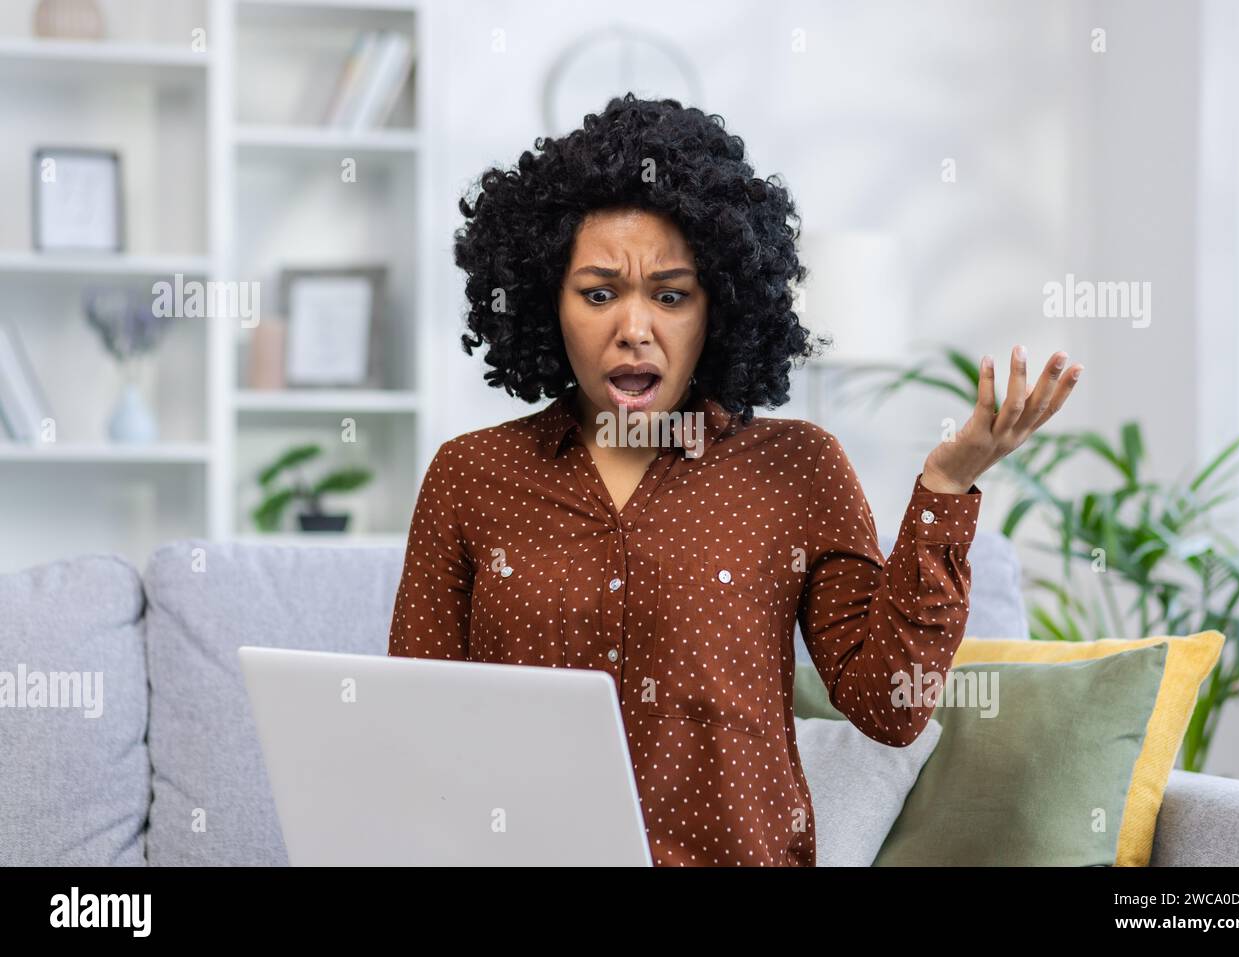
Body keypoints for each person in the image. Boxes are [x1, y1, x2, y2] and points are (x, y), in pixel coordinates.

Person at [388, 92, 1083, 866]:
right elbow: (421, 732)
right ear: (546, 304)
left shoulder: (799, 468)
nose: (635, 327)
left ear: (719, 309)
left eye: (672, 295)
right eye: (598, 293)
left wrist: (947, 489)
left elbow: (891, 705)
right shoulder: (470, 476)